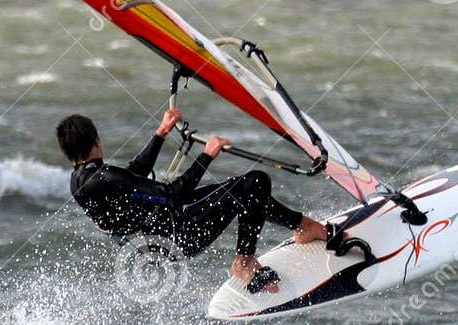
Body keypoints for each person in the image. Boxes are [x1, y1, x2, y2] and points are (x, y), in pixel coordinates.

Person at [57, 107, 330, 293]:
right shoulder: (105, 177)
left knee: (247, 191)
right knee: (255, 182)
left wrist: (161, 133)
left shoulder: (80, 181)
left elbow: (132, 175)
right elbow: (174, 196)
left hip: (160, 240)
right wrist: (207, 155)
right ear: (96, 141)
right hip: (180, 234)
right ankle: (245, 262)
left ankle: (303, 227)